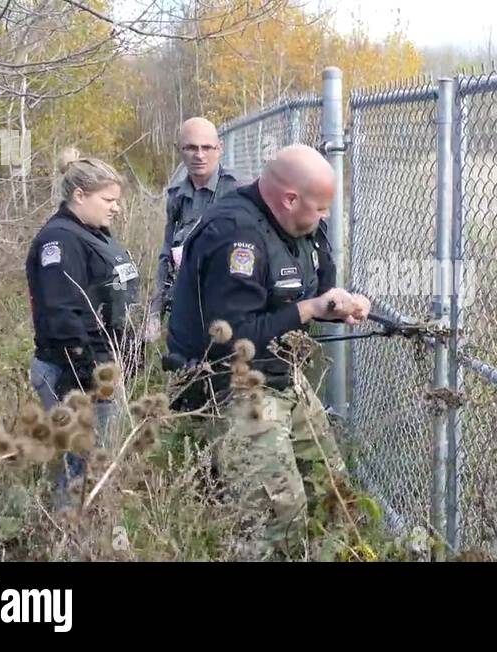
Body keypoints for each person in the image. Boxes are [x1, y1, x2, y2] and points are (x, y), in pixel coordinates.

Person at [167, 144, 370, 560]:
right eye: (319, 208)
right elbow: (232, 339)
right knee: (277, 514)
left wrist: (337, 306)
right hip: (232, 384)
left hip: (281, 376)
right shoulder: (235, 236)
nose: (325, 217)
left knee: (332, 489)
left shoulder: (302, 224)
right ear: (289, 198)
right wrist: (310, 309)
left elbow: (313, 294)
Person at [26, 149, 140, 503]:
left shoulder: (94, 233)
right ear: (79, 196)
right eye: (108, 200)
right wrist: (90, 375)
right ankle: (73, 537)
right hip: (74, 373)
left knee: (99, 462)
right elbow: (61, 315)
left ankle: (93, 528)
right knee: (82, 466)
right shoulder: (60, 241)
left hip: (103, 364)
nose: (116, 208)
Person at [145, 117, 249, 341]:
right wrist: (155, 312)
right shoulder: (177, 195)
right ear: (180, 150)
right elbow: (167, 254)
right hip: (185, 307)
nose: (199, 155)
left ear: (219, 148)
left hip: (228, 311)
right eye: (191, 148)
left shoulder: (240, 190)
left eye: (206, 147)